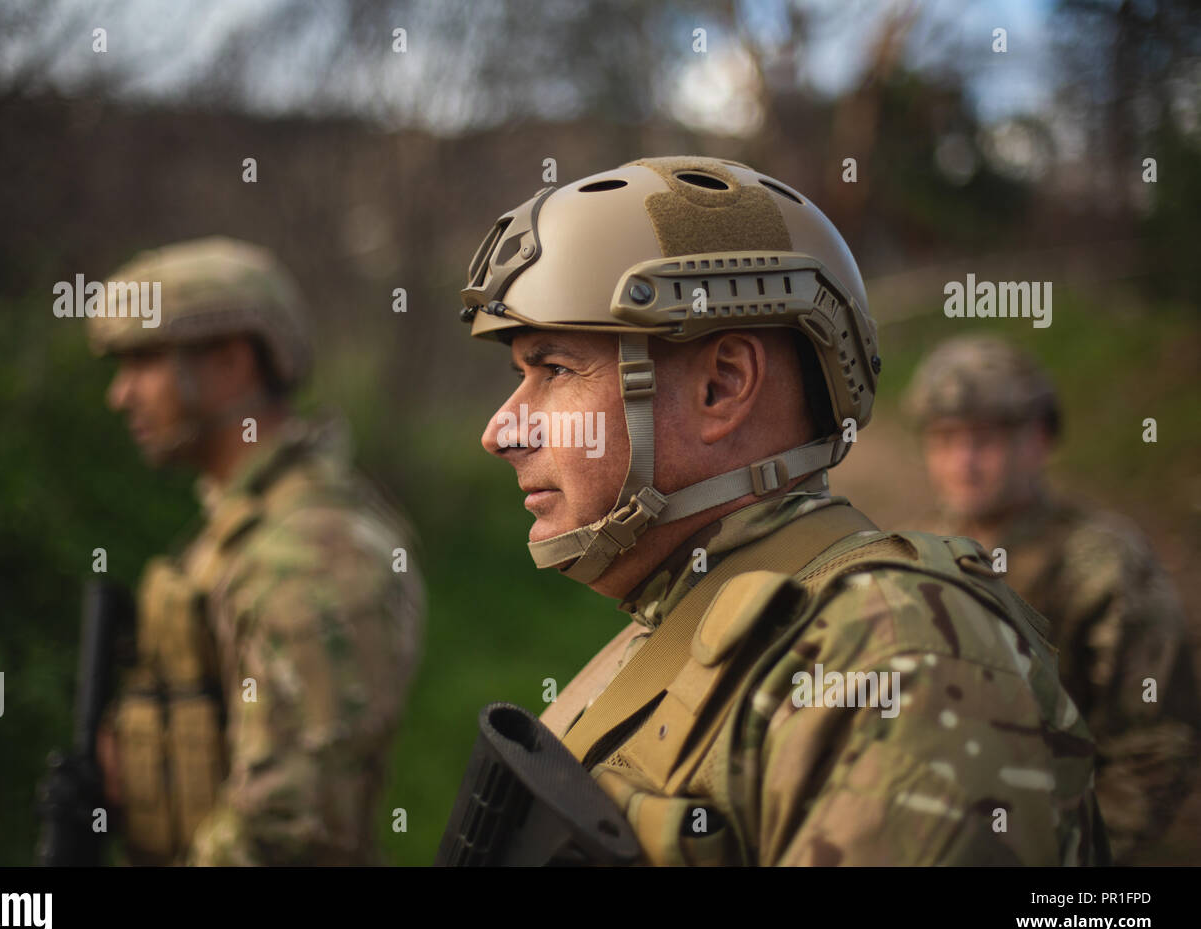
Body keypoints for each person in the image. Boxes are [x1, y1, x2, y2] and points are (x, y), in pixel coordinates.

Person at [458, 156, 1108, 865]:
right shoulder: (687, 626)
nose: (502, 431)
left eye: (554, 370)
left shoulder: (895, 660)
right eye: (521, 376)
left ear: (723, 386)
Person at [87, 236, 421, 865]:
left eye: (144, 362)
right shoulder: (237, 529)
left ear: (232, 361)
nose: (121, 394)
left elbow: (289, 828)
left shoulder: (308, 550)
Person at [903, 334, 1198, 863]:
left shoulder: (1106, 564)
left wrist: (1069, 856)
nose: (963, 463)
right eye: (946, 440)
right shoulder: (912, 552)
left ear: (1039, 438)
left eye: (985, 440)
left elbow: (1155, 748)